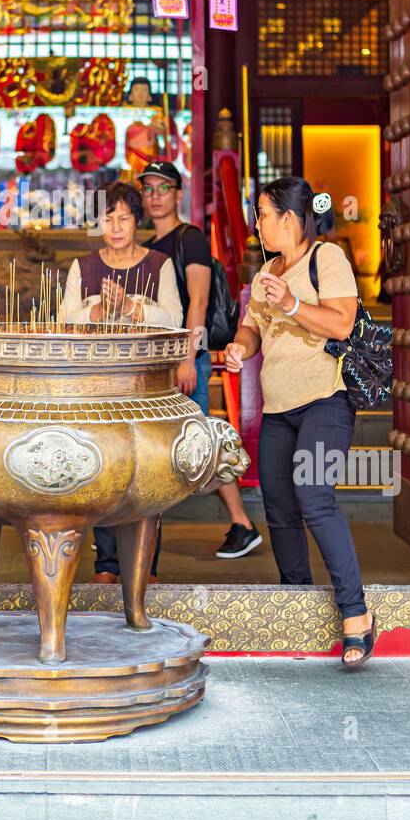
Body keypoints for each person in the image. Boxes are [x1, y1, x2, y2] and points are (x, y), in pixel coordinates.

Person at [223, 178, 377, 668]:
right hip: (278, 407)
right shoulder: (267, 268)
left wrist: (290, 303)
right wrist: (239, 348)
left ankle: (356, 614)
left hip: (325, 400)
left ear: (289, 219)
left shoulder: (325, 259)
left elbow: (341, 324)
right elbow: (253, 326)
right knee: (280, 506)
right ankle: (295, 598)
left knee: (314, 497)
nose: (258, 224)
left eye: (264, 214)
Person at [58, 181, 183, 585]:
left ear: (137, 221)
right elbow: (64, 323)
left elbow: (175, 320)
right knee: (102, 470)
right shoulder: (85, 267)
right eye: (106, 219)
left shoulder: (159, 264)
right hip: (96, 384)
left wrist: (129, 307)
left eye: (123, 218)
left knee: (146, 471)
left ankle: (146, 564)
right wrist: (98, 312)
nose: (115, 227)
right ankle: (108, 564)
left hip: (144, 384)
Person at [139, 160, 263, 561]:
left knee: (201, 442)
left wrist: (188, 357)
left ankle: (242, 523)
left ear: (178, 194)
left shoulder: (189, 239)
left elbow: (200, 299)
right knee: (157, 445)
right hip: (156, 361)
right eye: (148, 189)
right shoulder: (147, 246)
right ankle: (136, 529)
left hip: (183, 360)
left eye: (163, 188)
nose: (155, 196)